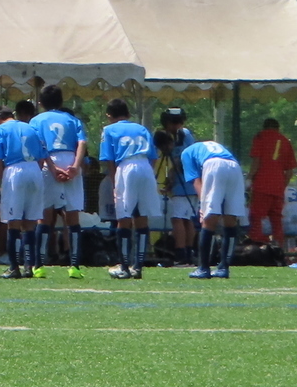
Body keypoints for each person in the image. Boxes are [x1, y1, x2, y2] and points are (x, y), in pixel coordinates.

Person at [29, 84, 88, 279]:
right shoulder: (73, 119)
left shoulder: (37, 120)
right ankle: (75, 266)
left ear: (41, 103)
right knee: (72, 216)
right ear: (62, 101)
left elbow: (39, 145)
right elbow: (82, 142)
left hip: (50, 161)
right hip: (71, 159)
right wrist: (76, 166)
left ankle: (39, 265)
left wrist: (53, 168)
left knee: (44, 214)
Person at [98, 99, 158, 280]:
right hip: (145, 167)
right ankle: (138, 266)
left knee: (123, 217)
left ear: (109, 116)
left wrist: (115, 181)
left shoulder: (109, 130)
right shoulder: (141, 128)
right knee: (141, 217)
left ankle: (123, 266)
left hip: (126, 167)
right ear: (128, 114)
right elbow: (153, 156)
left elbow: (109, 159)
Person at [0, 101, 45, 280]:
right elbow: (41, 157)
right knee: (30, 222)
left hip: (14, 171)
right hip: (34, 170)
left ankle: (14, 267)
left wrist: (1, 181)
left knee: (12, 221)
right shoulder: (30, 128)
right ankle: (29, 265)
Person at [180, 137, 246, 279]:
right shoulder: (212, 145)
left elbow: (196, 181)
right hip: (234, 166)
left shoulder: (185, 153)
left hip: (213, 166)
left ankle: (203, 268)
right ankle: (223, 268)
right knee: (230, 219)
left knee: (209, 219)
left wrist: (203, 205)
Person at [157, 107, 198, 264]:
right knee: (186, 219)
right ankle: (187, 252)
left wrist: (173, 178)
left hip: (185, 185)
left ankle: (181, 253)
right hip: (188, 183)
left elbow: (185, 160)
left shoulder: (184, 135)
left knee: (177, 218)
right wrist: (171, 178)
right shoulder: (179, 135)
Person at [248, 118, 297, 245]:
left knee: (256, 217)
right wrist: (282, 186)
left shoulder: (260, 137)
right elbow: (290, 171)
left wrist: (249, 178)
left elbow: (256, 161)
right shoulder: (285, 141)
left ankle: (257, 247)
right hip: (277, 188)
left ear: (264, 127)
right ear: (277, 128)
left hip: (261, 185)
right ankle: (279, 250)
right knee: (276, 221)